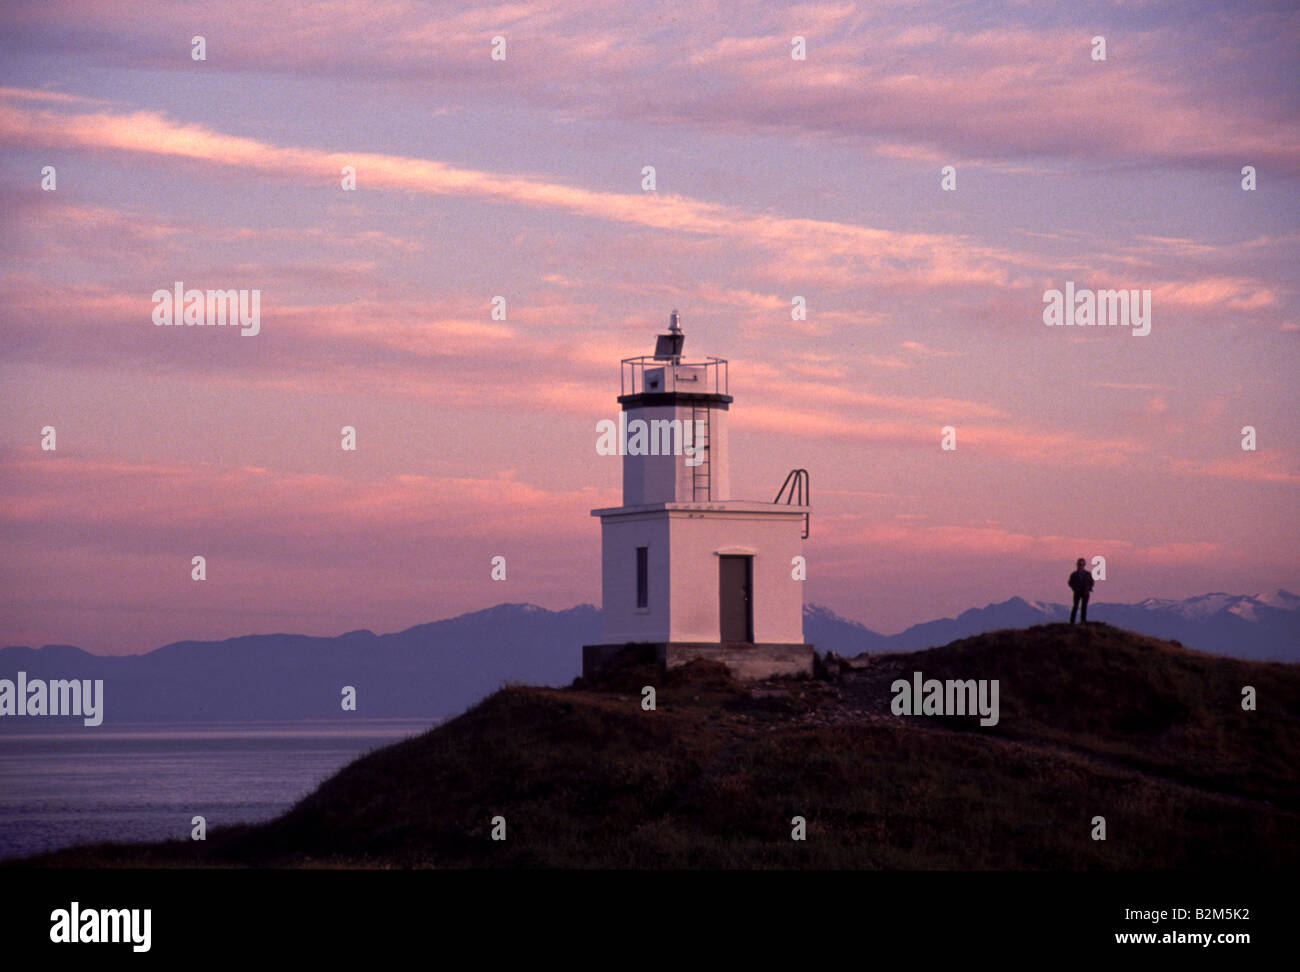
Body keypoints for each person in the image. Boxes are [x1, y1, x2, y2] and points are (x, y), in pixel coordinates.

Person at [1068, 558, 1095, 624]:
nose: (1081, 566)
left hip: (1085, 593)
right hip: (1077, 592)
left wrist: (1089, 588)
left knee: (1084, 607)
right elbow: (1070, 582)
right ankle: (1072, 622)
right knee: (1075, 607)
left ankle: (1083, 621)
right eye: (1080, 564)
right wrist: (1074, 588)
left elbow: (1092, 582)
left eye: (1082, 564)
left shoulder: (1087, 574)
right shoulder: (1074, 574)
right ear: (1077, 565)